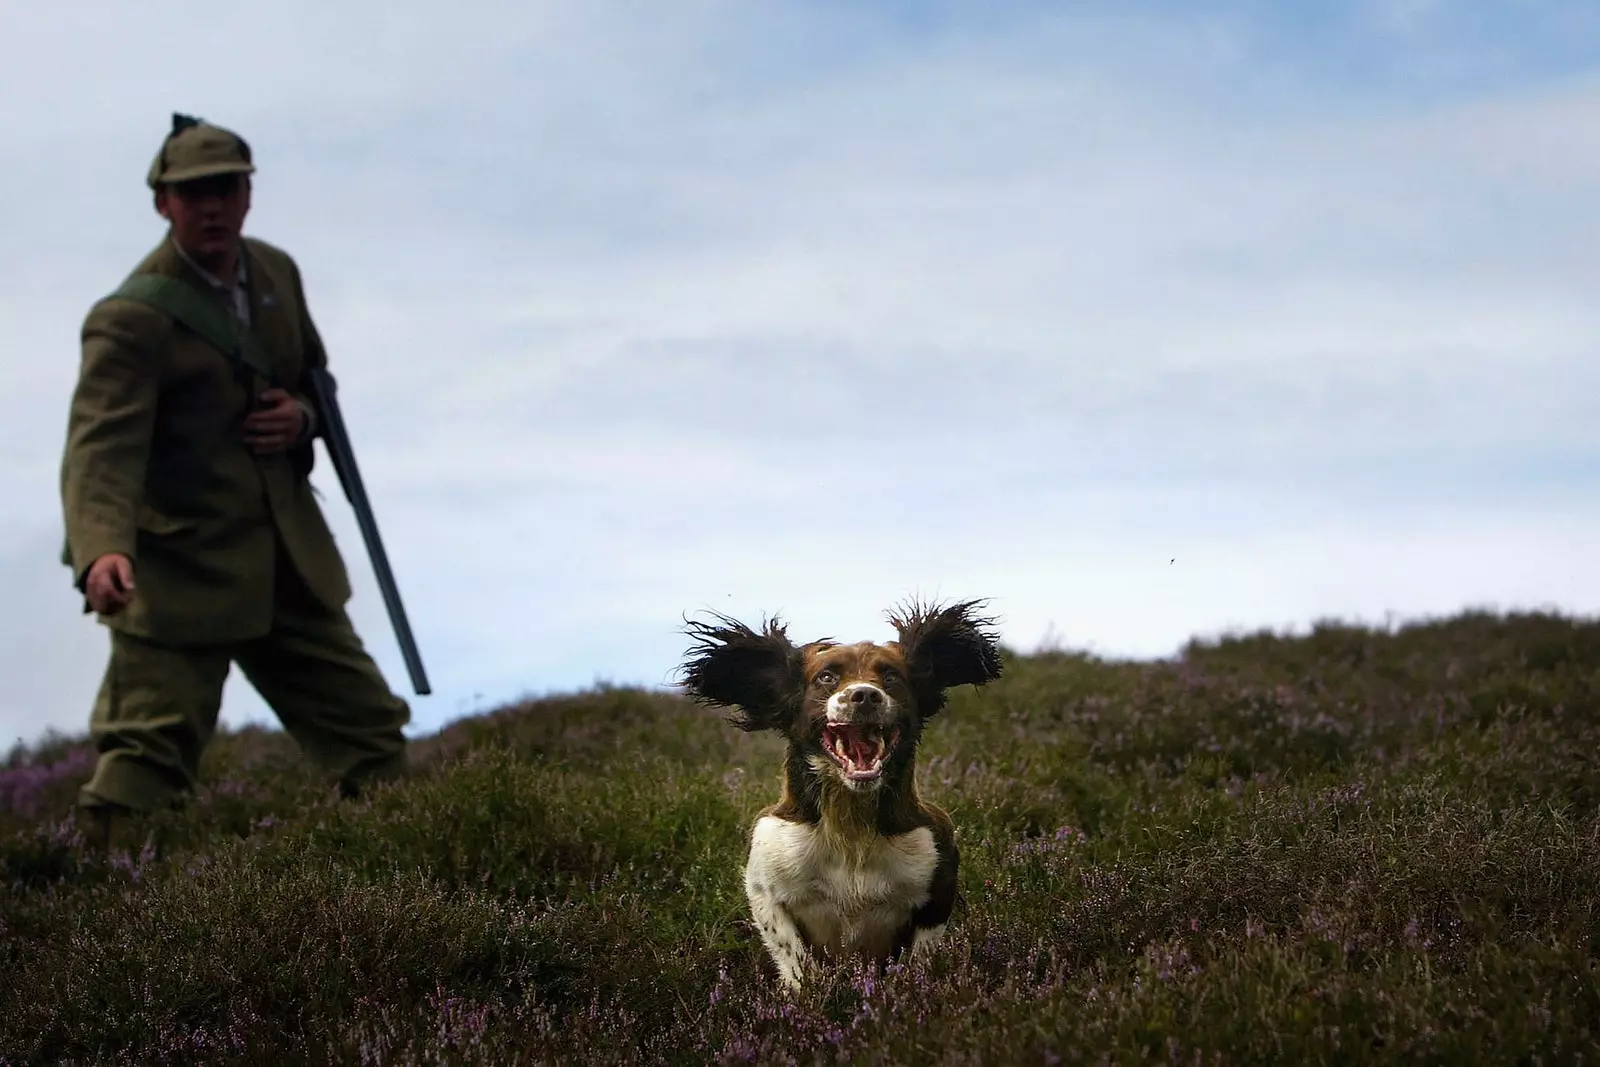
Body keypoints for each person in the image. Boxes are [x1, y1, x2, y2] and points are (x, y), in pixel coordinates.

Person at [59, 113, 411, 848]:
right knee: (140, 770)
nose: (211, 206)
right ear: (164, 203)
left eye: (225, 188)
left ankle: (398, 905)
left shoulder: (276, 273)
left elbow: (313, 381)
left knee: (373, 739)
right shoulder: (130, 319)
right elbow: (101, 446)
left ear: (249, 194)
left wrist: (302, 417)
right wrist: (101, 550)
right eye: (192, 193)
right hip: (179, 571)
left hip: (286, 564)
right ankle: (95, 930)